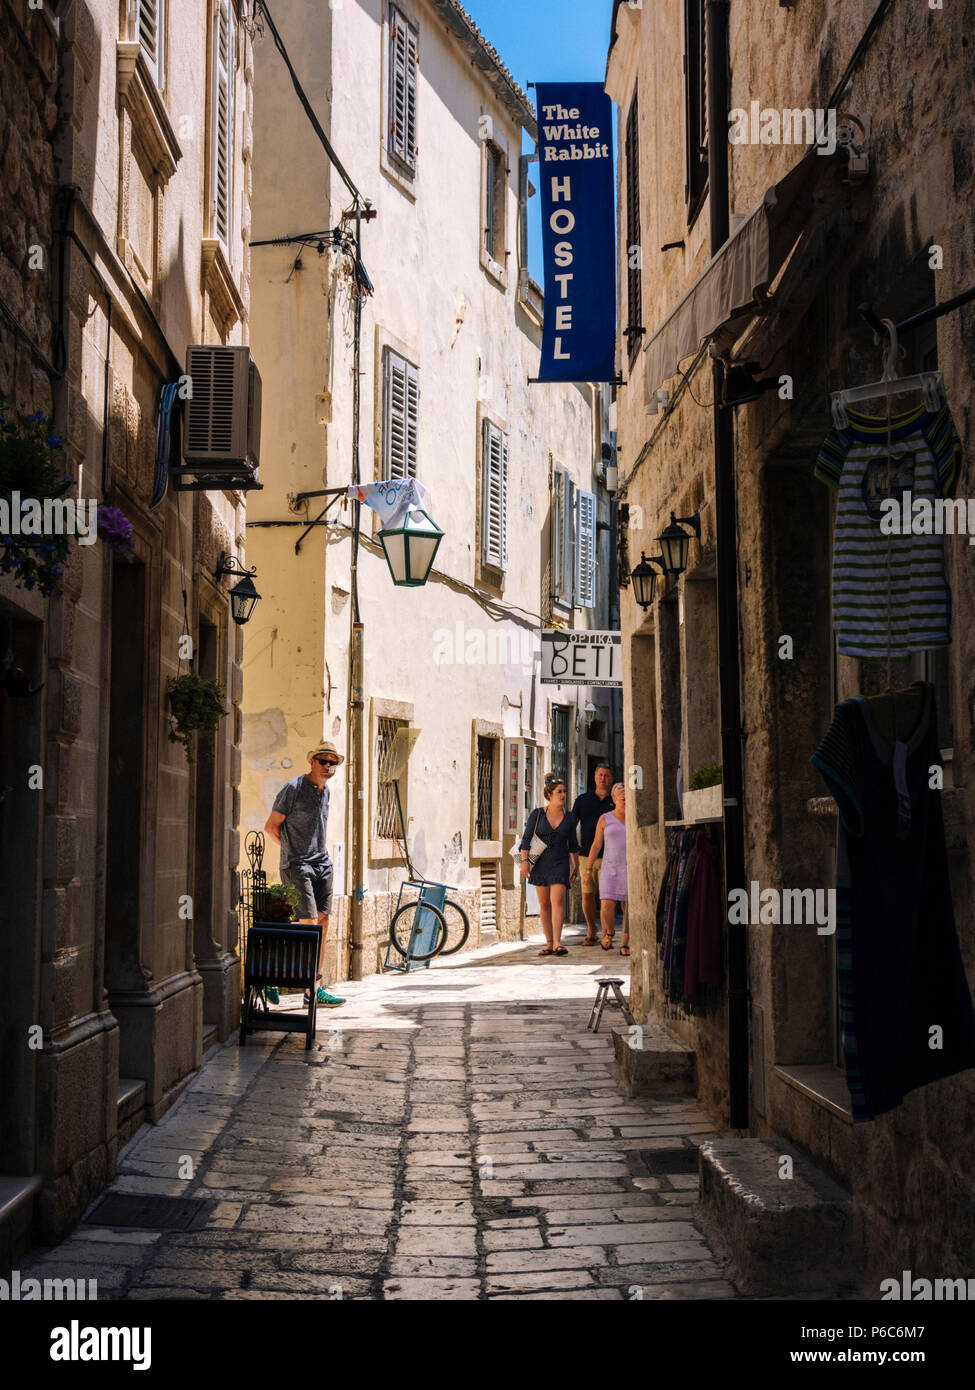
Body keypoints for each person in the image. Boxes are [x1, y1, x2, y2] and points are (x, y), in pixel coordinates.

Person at [264, 742, 346, 1007]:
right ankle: (271, 974)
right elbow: (271, 827)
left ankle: (314, 989)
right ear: (312, 762)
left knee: (322, 924)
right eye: (323, 760)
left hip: (323, 865)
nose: (328, 766)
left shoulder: (327, 792)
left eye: (332, 762)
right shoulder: (294, 788)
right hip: (298, 865)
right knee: (308, 924)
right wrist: (292, 852)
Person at [519, 773, 580, 956]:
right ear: (550, 795)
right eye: (559, 792)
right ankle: (549, 942)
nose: (563, 795)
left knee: (558, 900)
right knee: (544, 904)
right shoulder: (537, 814)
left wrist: (575, 865)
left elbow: (573, 844)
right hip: (540, 864)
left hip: (560, 862)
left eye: (564, 792)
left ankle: (558, 943)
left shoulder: (570, 817)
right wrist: (524, 862)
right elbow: (526, 840)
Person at [571, 763, 616, 945]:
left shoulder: (616, 801)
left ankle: (607, 932)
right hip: (586, 856)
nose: (603, 778)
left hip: (610, 856)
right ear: (594, 777)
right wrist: (573, 850)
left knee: (607, 897)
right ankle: (591, 929)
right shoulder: (583, 800)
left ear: (611, 779)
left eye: (606, 775)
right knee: (587, 894)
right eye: (600, 775)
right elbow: (571, 826)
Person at [586, 783, 629, 955]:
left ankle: (625, 943)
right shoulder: (605, 818)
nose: (626, 802)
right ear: (614, 799)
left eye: (628, 799)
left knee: (628, 906)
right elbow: (596, 845)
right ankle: (608, 933)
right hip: (610, 866)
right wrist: (588, 869)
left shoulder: (634, 816)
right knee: (606, 904)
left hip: (628, 867)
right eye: (623, 799)